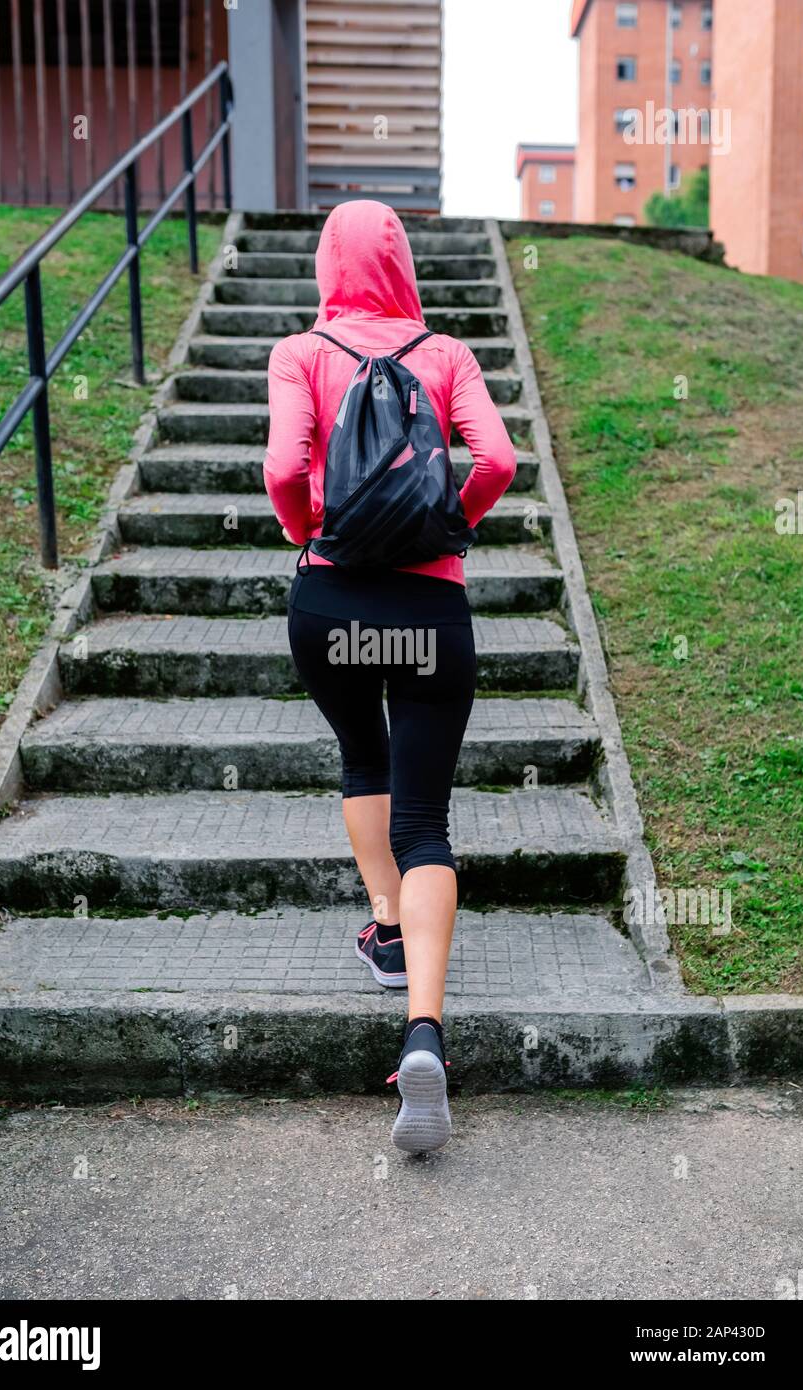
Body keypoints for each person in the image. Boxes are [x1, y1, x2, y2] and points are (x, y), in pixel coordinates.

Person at [264, 200, 516, 1152]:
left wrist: (306, 533)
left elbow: (285, 465)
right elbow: (498, 455)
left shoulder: (301, 352)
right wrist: (453, 523)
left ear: (329, 262)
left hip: (330, 606)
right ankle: (424, 1034)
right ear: (403, 261)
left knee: (360, 755)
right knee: (428, 822)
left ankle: (382, 923)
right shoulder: (445, 351)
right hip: (428, 611)